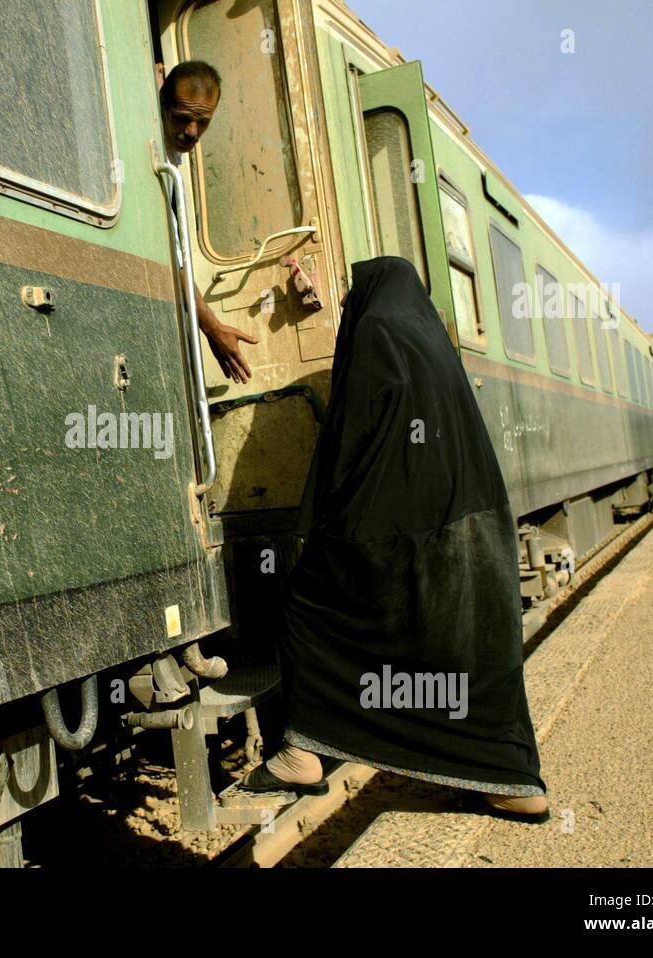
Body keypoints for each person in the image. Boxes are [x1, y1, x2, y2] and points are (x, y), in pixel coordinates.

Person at [238, 256, 549, 821]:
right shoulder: (429, 343)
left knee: (308, 603)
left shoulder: (377, 331)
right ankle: (511, 778)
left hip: (404, 531)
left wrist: (313, 522)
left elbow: (350, 443)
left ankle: (301, 754)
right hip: (477, 525)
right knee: (467, 645)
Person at [158, 60, 258, 384]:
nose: (192, 132)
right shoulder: (155, 152)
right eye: (183, 119)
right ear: (162, 103)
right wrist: (212, 327)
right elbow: (170, 262)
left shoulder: (174, 155)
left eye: (203, 122)